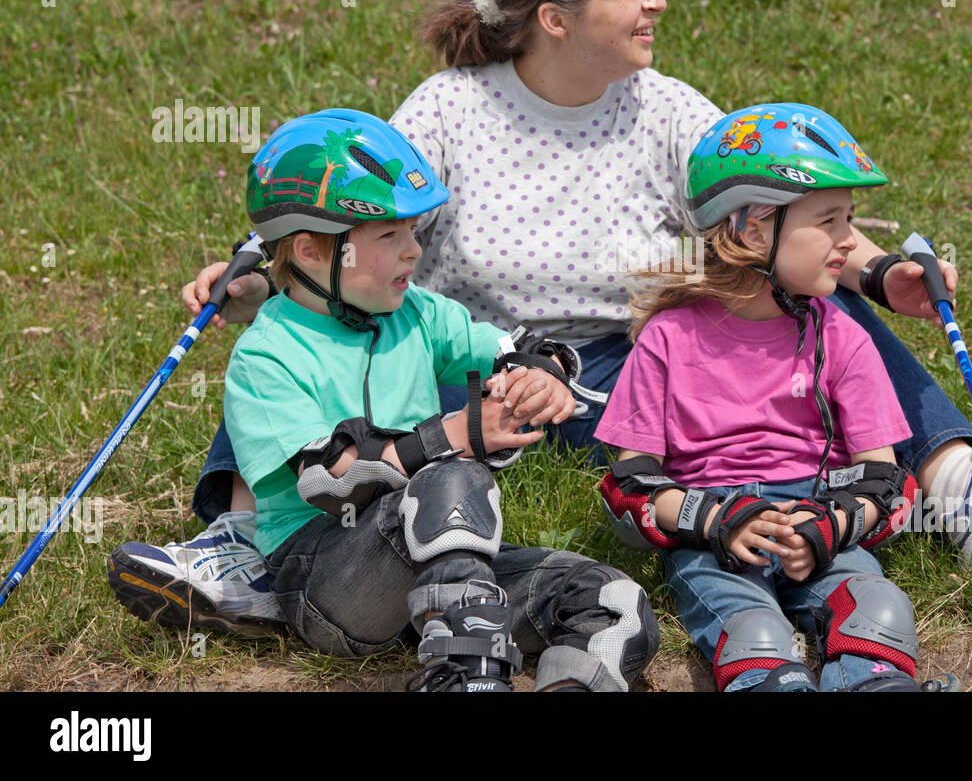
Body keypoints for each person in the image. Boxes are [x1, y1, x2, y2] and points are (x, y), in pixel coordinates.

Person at [107, 0, 972, 638]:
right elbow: (356, 224)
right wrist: (263, 272)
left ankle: (958, 484)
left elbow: (773, 220)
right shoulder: (453, 108)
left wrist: (878, 268)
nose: (657, 1)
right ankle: (241, 544)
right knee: (318, 338)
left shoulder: (670, 107)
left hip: (639, 366)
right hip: (475, 365)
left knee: (814, 315)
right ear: (555, 16)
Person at [113, 108, 657, 691]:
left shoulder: (418, 313)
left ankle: (535, 669)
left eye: (414, 232)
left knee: (612, 600)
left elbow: (513, 347)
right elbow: (334, 480)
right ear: (311, 251)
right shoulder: (264, 355)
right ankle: (467, 675)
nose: (413, 252)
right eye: (389, 236)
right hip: (327, 576)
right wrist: (457, 435)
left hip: (438, 563)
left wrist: (540, 374)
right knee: (451, 478)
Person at [598, 102, 958, 691]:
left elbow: (887, 482)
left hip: (818, 521)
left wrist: (836, 527)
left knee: (878, 612)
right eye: (830, 221)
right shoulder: (667, 338)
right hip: (717, 537)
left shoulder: (843, 336)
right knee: (756, 635)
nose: (848, 243)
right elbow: (631, 486)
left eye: (848, 219)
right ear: (753, 227)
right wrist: (717, 521)